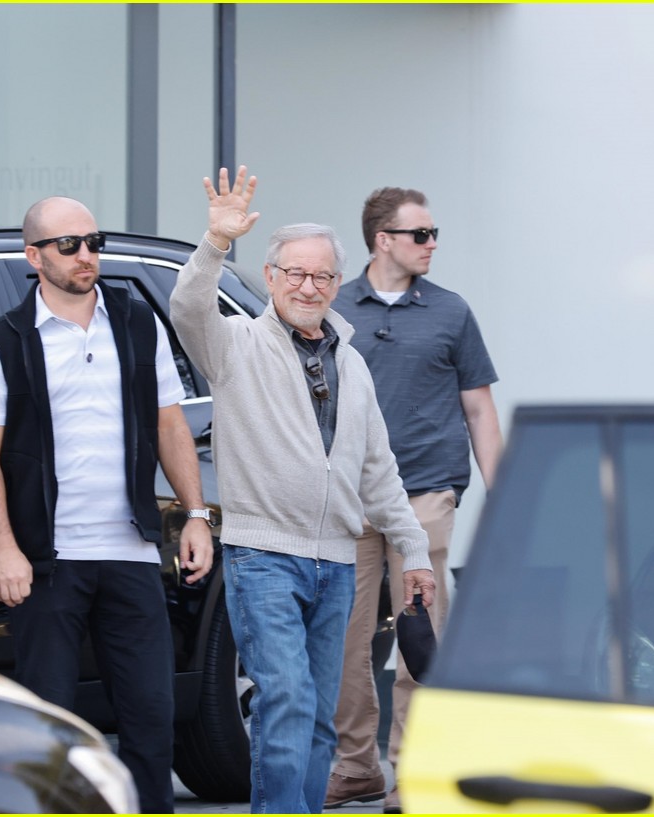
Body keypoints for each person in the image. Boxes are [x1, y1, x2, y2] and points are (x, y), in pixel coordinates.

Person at [169, 167, 436, 815]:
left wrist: (415, 551)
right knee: (286, 699)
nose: (308, 286)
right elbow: (187, 307)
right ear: (270, 278)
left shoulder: (352, 360)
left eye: (321, 276)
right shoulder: (235, 345)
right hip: (264, 556)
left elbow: (379, 469)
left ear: (335, 283)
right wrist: (215, 242)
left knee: (319, 715)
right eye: (294, 273)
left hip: (338, 563)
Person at [0, 196, 213, 813]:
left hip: (129, 550)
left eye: (93, 242)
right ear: (34, 256)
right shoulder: (3, 340)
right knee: (50, 725)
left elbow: (170, 425)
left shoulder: (134, 319)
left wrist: (196, 516)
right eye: (69, 244)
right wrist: (5, 550)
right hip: (48, 562)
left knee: (151, 717)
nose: (86, 255)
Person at [327, 187, 502, 813]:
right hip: (348, 500)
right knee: (344, 640)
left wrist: (505, 497)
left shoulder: (451, 312)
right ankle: (355, 768)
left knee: (420, 637)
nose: (432, 245)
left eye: (433, 235)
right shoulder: (334, 306)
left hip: (426, 492)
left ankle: (415, 770)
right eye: (420, 234)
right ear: (383, 240)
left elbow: (479, 409)